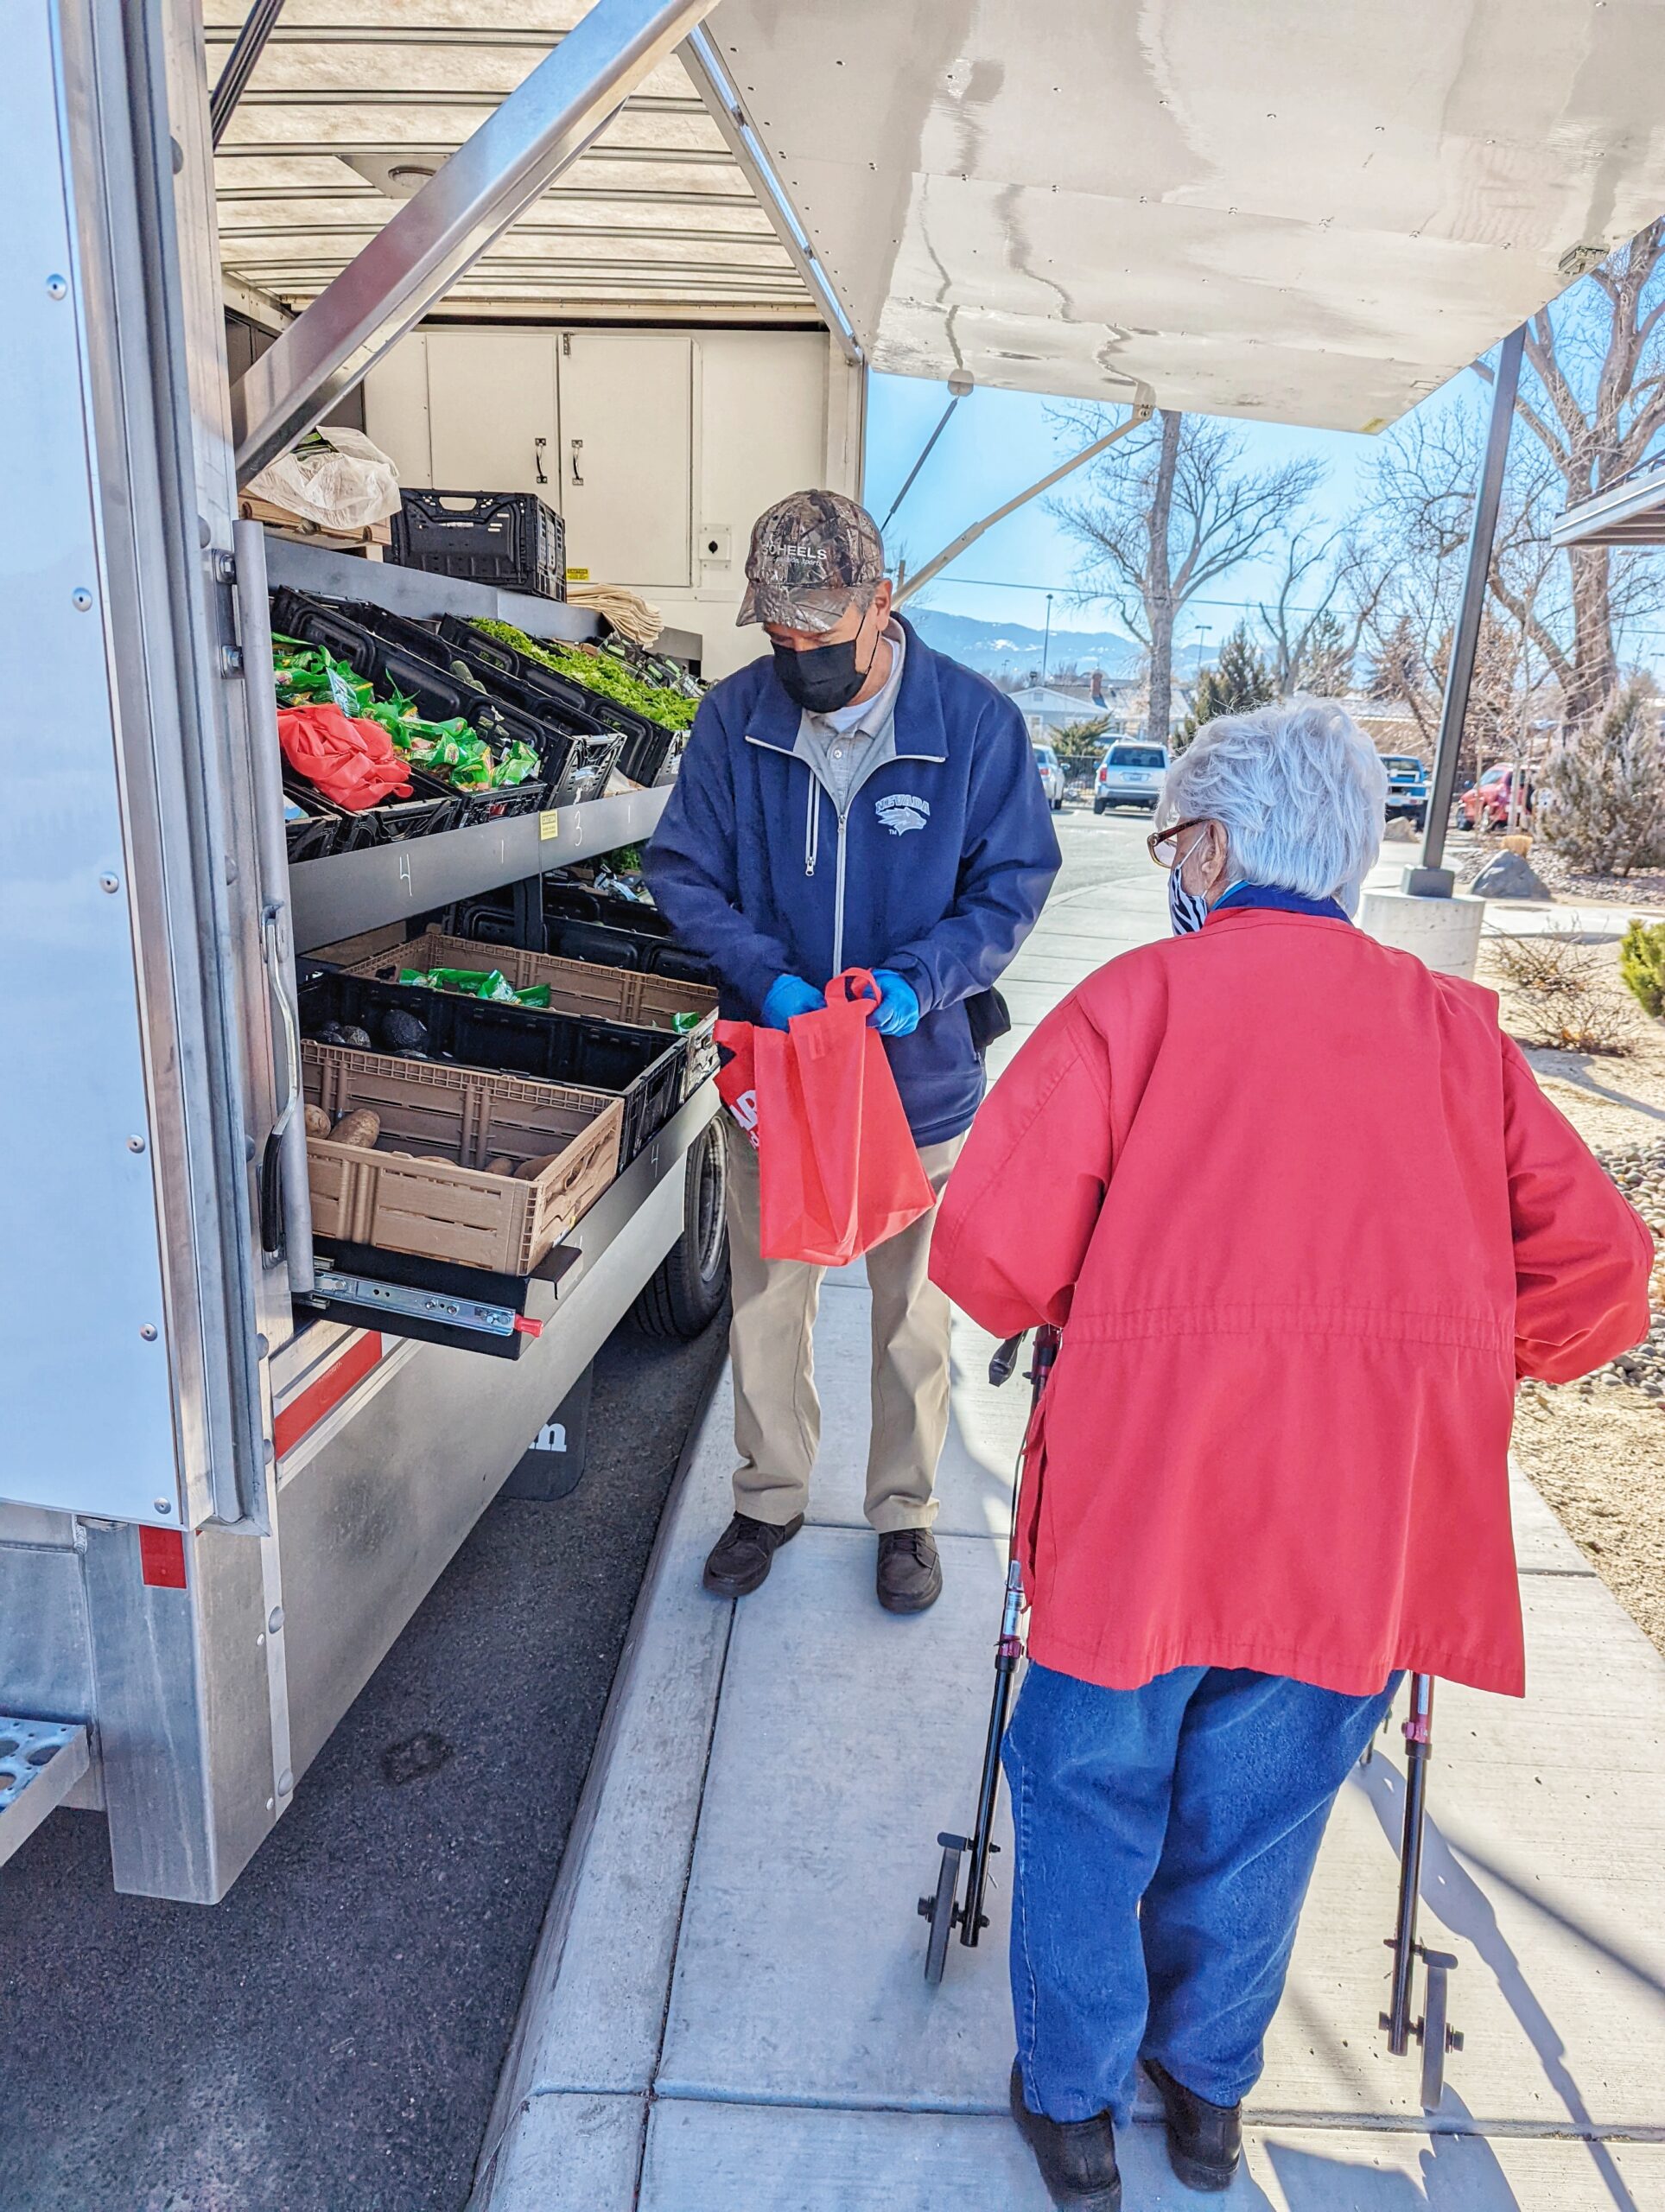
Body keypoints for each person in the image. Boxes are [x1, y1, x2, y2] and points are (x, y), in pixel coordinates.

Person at [930, 700, 1651, 2208]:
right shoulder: (1458, 1038)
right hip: (1361, 1519)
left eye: (1174, 835)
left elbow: (991, 1252)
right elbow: (1600, 1275)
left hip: (1149, 1502)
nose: (1171, 862)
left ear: (1216, 842)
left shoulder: (1139, 1003)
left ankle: (1072, 2105)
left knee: (1087, 1790)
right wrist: (1445, 1353)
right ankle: (1204, 2096)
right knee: (1257, 1820)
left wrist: (1096, 1301)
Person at [646, 490, 1061, 1613]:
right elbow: (681, 870)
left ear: (885, 603)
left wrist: (923, 980)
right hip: (779, 1085)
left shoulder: (973, 726)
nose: (798, 660)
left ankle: (905, 1514)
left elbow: (1013, 884)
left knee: (911, 1320)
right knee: (768, 1306)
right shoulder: (735, 720)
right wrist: (765, 976)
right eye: (779, 640)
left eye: (820, 640)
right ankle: (769, 1496)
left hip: (919, 1088)